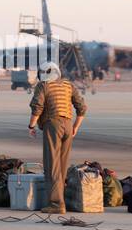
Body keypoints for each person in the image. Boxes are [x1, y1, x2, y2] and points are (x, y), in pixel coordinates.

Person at [27, 60, 87, 214]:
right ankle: (61, 200)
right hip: (68, 124)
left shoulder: (43, 86)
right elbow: (82, 108)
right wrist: (75, 127)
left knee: (51, 164)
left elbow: (37, 107)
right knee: (61, 166)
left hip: (53, 125)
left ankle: (56, 204)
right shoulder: (67, 84)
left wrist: (31, 126)